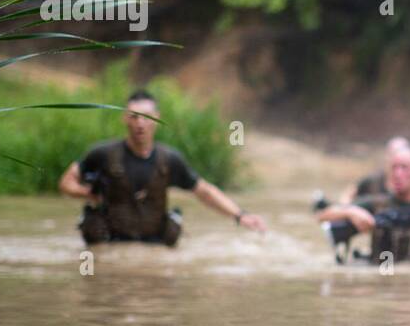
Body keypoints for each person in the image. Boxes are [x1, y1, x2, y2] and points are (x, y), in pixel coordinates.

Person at [58, 90, 266, 245]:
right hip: (110, 246)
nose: (140, 123)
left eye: (146, 117)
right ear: (124, 118)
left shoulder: (170, 159)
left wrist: (240, 215)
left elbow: (204, 191)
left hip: (154, 245)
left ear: (156, 118)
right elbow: (66, 182)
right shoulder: (101, 154)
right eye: (134, 116)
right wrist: (87, 193)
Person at [317, 144, 410, 264]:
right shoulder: (378, 203)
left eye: (405, 168)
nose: (398, 173)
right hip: (382, 271)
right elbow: (323, 216)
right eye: (394, 168)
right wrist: (351, 212)